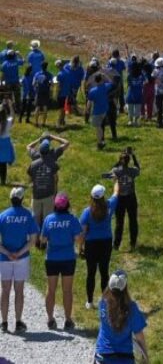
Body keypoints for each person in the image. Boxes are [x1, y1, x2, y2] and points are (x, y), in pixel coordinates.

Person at [40, 191, 83, 330]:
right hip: (68, 258)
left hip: (52, 258)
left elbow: (43, 239)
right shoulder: (72, 219)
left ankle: (50, 319)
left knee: (51, 289)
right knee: (67, 290)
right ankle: (68, 320)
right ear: (67, 205)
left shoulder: (49, 219)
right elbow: (79, 239)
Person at [0, 187, 39, 333]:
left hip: (4, 258)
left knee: (5, 290)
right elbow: (33, 240)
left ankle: (4, 322)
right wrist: (19, 253)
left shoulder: (3, 215)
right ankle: (18, 321)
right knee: (19, 290)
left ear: (11, 199)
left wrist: (7, 253)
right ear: (22, 199)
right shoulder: (28, 215)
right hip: (21, 258)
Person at [95, 269, 148, 364]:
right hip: (125, 358)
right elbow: (139, 336)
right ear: (125, 288)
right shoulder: (132, 308)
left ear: (109, 287)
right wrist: (146, 358)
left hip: (103, 355)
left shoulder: (102, 303)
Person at [80, 183, 118, 310]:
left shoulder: (87, 212)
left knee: (91, 273)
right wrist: (116, 180)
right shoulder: (109, 206)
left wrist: (80, 247)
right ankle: (105, 301)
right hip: (106, 243)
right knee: (104, 272)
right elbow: (116, 193)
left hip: (91, 244)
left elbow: (83, 232)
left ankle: (90, 302)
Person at [106, 148, 140, 251]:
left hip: (120, 198)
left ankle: (116, 245)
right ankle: (133, 243)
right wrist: (133, 156)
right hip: (131, 197)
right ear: (129, 161)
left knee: (119, 222)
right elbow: (138, 168)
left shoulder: (116, 171)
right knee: (133, 220)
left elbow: (110, 173)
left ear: (121, 161)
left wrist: (119, 161)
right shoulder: (132, 171)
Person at [27, 138, 60, 233]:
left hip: (36, 195)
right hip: (49, 195)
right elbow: (56, 179)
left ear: (40, 151)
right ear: (48, 151)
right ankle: (45, 238)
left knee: (35, 219)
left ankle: (36, 237)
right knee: (47, 219)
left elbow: (29, 180)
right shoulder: (53, 164)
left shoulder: (33, 164)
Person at [88, 73, 114, 149]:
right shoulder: (106, 87)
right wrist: (105, 76)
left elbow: (89, 102)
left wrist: (87, 110)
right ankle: (101, 141)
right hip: (105, 109)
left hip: (97, 111)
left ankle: (99, 143)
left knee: (98, 127)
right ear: (102, 80)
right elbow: (111, 82)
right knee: (99, 126)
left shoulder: (92, 91)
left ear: (95, 81)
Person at [32, 61, 53, 128]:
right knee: (45, 107)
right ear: (46, 67)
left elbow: (33, 83)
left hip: (39, 92)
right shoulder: (49, 74)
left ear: (41, 67)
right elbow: (51, 84)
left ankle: (36, 123)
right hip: (46, 92)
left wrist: (36, 88)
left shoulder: (37, 74)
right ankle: (43, 123)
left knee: (37, 107)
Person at [0, 100, 15, 186]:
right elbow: (13, 116)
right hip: (6, 143)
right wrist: (10, 106)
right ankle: (3, 180)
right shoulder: (8, 122)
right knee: (3, 164)